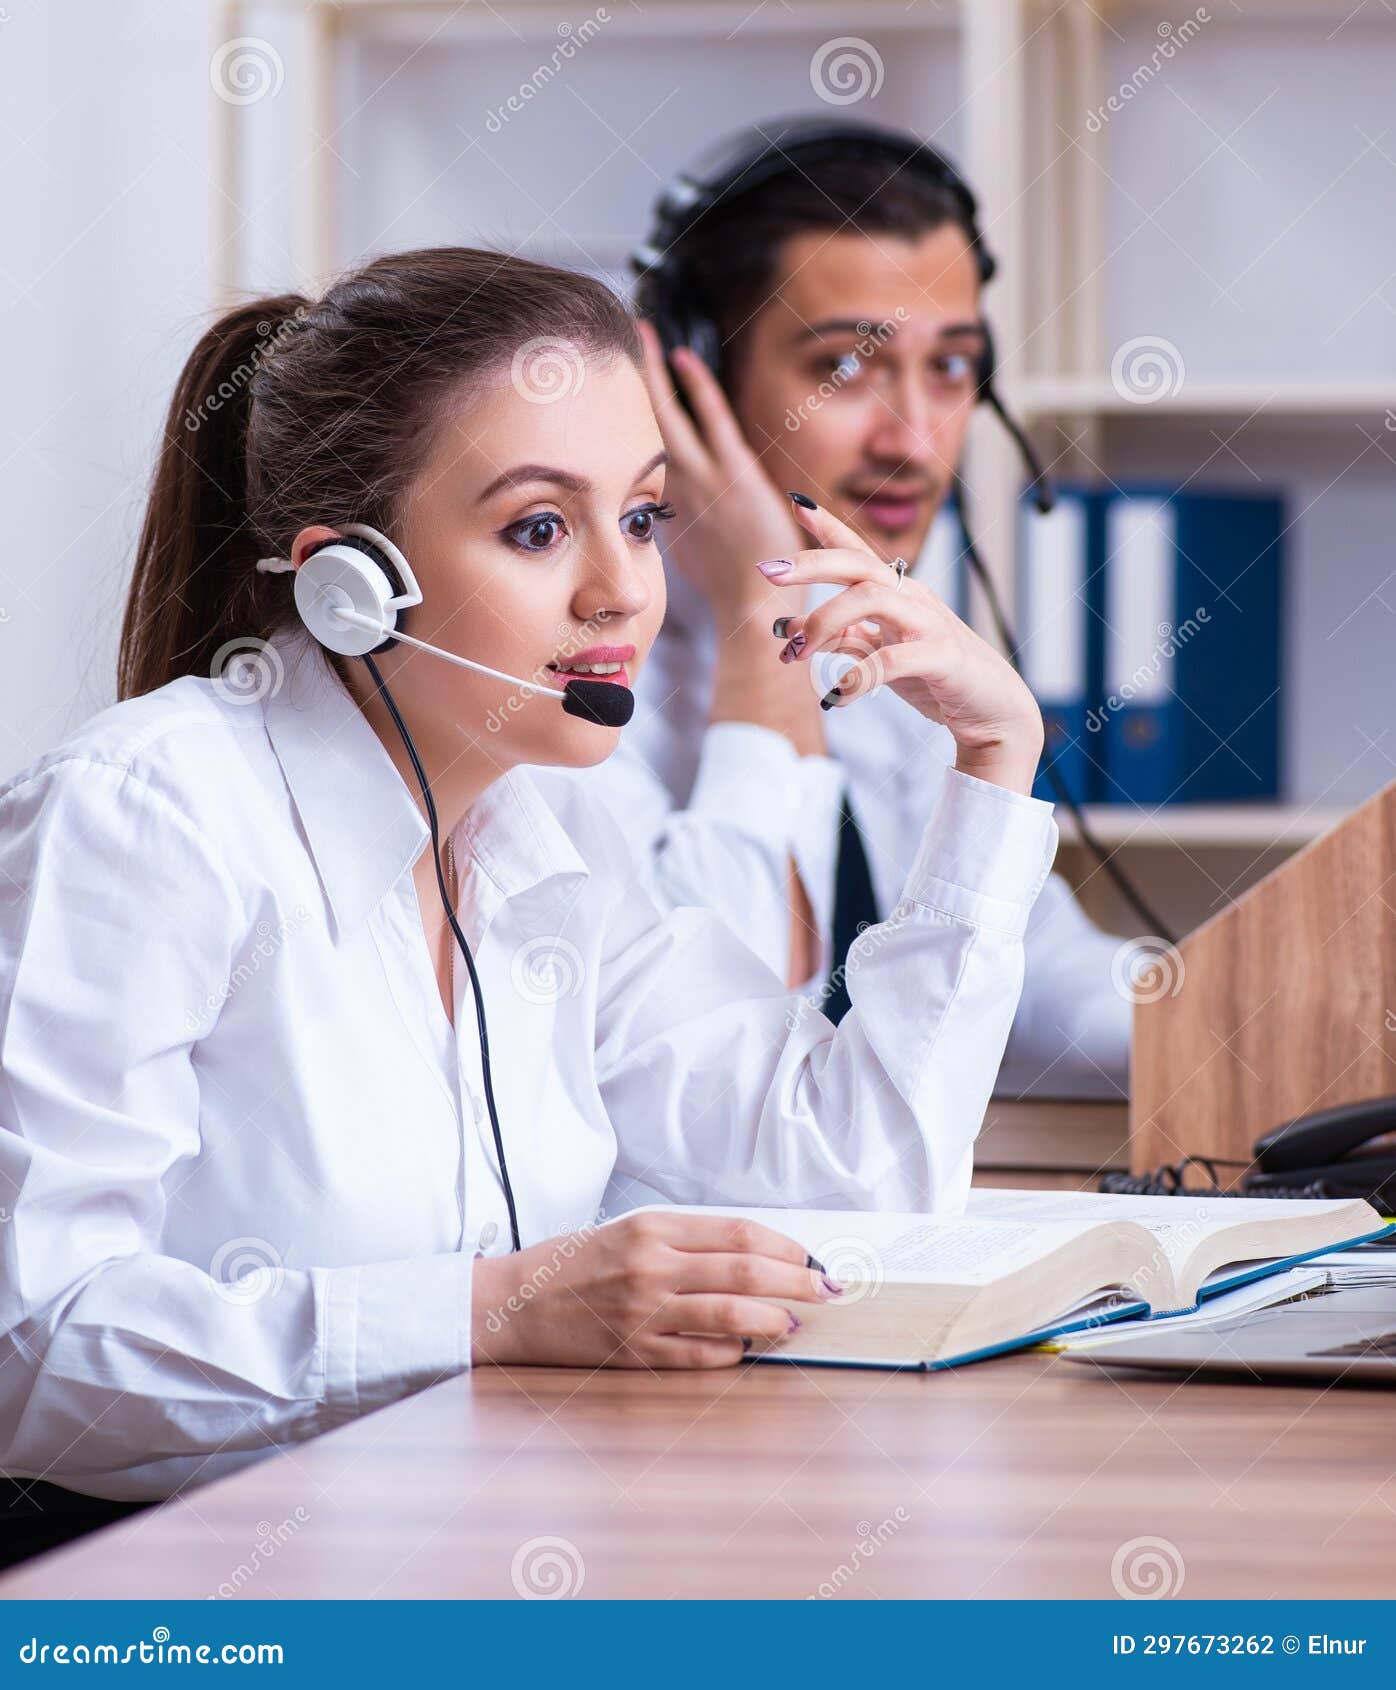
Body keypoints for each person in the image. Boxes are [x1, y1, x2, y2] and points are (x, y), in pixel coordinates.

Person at [0, 247, 1058, 1510]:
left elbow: (856, 1169)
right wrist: (498, 1307)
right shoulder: (148, 817)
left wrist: (995, 764)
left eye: (644, 516)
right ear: (351, 585)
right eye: (540, 527)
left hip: (471, 1555)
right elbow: (35, 1350)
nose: (621, 588)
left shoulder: (550, 827)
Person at [582, 118, 1131, 1104]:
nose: (913, 439)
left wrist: (1267, 1020)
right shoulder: (573, 652)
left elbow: (1037, 978)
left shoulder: (882, 623)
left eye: (951, 368)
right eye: (844, 367)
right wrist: (763, 622)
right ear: (684, 374)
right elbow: (719, 1051)